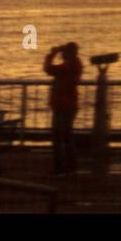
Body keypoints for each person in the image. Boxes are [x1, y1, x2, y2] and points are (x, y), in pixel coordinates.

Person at [43, 43, 83, 175]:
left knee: (59, 137)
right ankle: (70, 167)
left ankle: (60, 168)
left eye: (64, 52)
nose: (62, 55)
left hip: (63, 106)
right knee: (66, 137)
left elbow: (48, 68)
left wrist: (51, 54)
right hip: (68, 105)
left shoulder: (67, 66)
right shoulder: (76, 64)